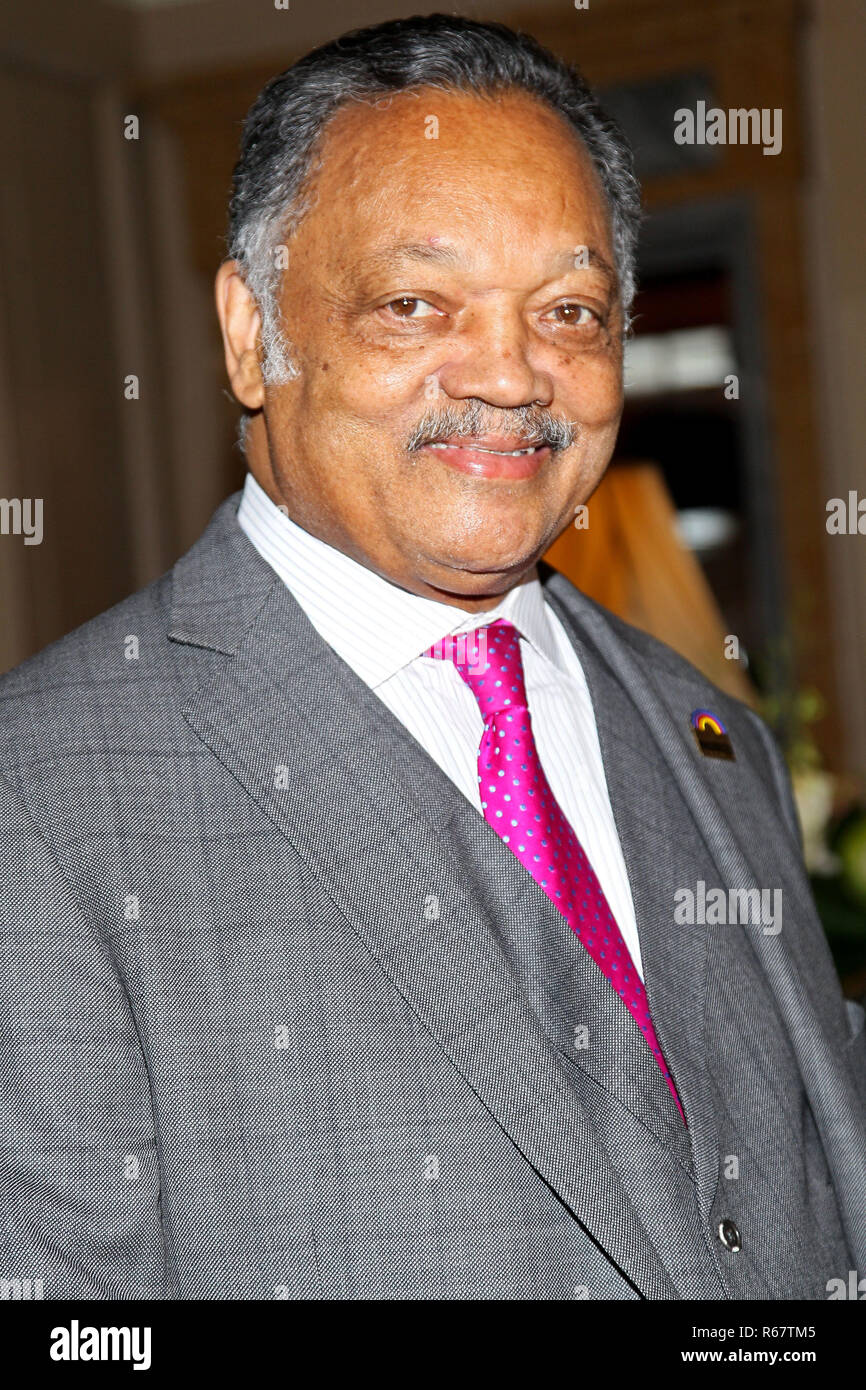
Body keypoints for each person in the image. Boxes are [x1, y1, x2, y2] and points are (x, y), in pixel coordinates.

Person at [1, 14, 864, 1301]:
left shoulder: (705, 731)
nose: (513, 376)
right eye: (416, 303)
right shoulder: (44, 795)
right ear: (253, 334)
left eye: (567, 310)